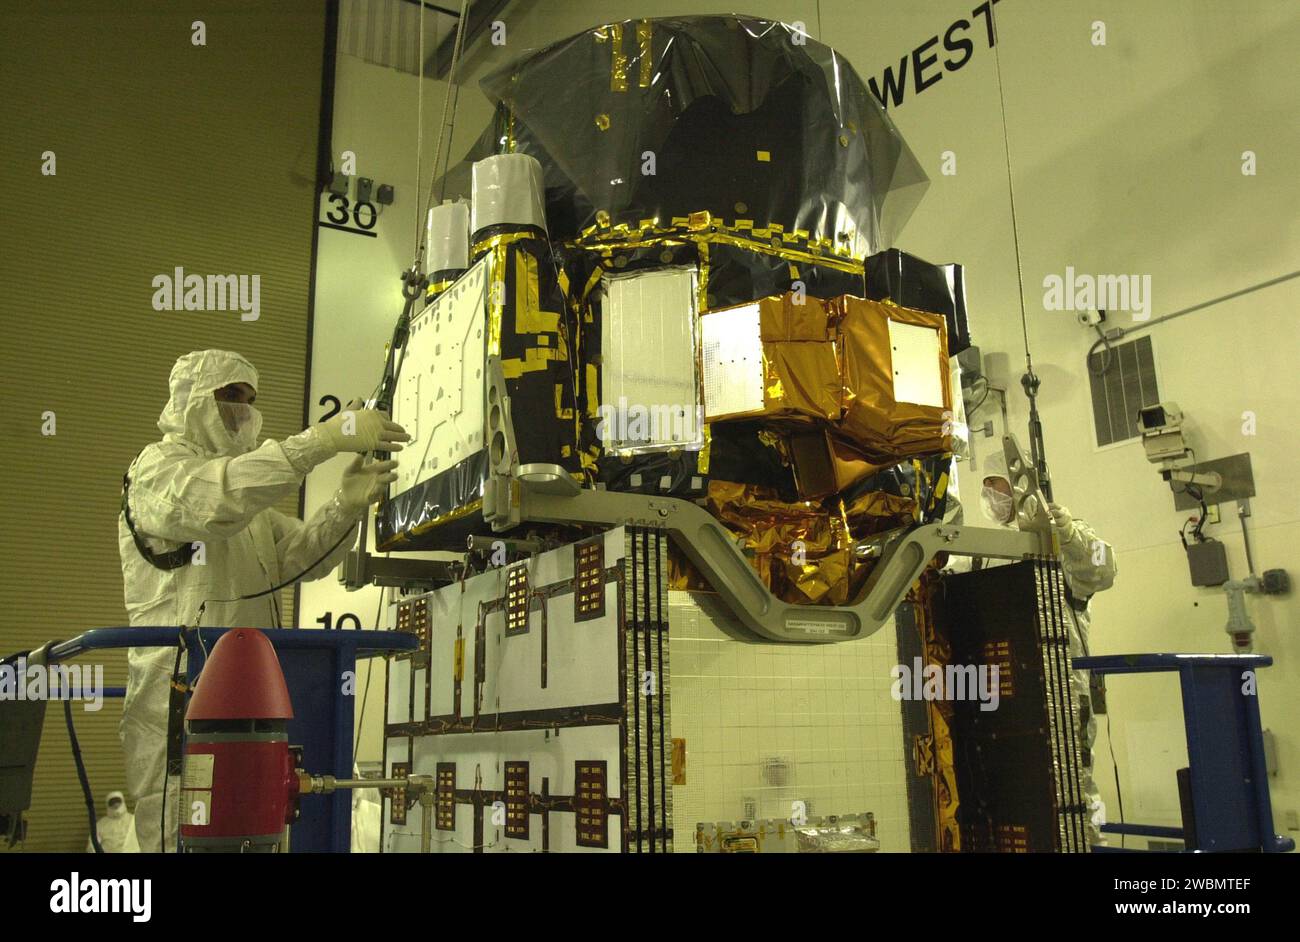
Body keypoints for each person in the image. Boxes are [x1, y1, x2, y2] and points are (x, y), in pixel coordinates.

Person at [118, 349, 409, 852]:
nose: (242, 409)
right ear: (192, 401)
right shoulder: (157, 472)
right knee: (179, 832)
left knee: (253, 830)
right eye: (230, 396)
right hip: (180, 699)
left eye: (250, 399)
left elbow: (300, 561)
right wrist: (324, 438)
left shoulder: (253, 509)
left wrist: (346, 506)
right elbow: (217, 501)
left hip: (251, 698)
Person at [979, 453, 1117, 847]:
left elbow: (1102, 571)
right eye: (987, 487)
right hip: (1006, 694)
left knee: (1072, 790)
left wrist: (1069, 534)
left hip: (1063, 691)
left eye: (999, 485)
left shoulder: (1062, 535)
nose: (993, 495)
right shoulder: (982, 550)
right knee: (1015, 796)